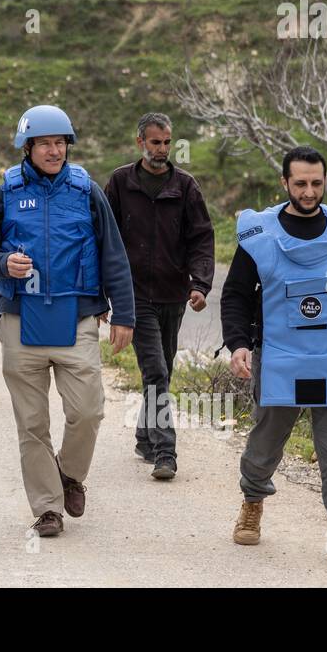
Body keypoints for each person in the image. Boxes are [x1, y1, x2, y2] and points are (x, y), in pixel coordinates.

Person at [0, 105, 135, 538]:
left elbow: (112, 253)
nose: (55, 150)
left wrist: (124, 315)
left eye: (61, 143)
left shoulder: (87, 191)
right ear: (28, 147)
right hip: (21, 321)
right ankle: (47, 509)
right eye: (46, 143)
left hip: (77, 318)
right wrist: (4, 263)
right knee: (32, 423)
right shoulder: (4, 192)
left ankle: (69, 475)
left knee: (88, 411)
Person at [222, 145, 327, 569]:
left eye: (316, 183)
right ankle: (252, 502)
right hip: (279, 361)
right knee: (264, 445)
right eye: (300, 183)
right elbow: (235, 295)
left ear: (325, 181)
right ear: (285, 183)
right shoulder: (260, 234)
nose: (308, 191)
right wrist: (238, 344)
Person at [104, 111, 214, 480]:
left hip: (173, 293)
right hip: (133, 295)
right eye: (155, 142)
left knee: (161, 369)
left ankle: (143, 437)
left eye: (167, 142)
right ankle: (165, 452)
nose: (162, 149)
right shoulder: (120, 183)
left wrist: (199, 284)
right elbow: (103, 239)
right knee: (156, 372)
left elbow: (201, 238)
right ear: (141, 143)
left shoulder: (185, 186)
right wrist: (103, 294)